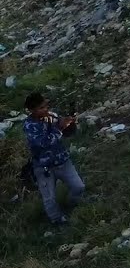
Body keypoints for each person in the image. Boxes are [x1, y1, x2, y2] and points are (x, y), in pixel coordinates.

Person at [23, 92, 84, 226]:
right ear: (32, 110)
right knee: (49, 198)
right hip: (44, 167)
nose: (46, 109)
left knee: (78, 187)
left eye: (46, 106)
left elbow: (68, 133)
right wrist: (60, 129)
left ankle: (72, 206)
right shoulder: (29, 126)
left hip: (62, 160)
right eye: (41, 108)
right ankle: (58, 221)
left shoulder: (52, 116)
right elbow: (43, 142)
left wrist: (70, 123)